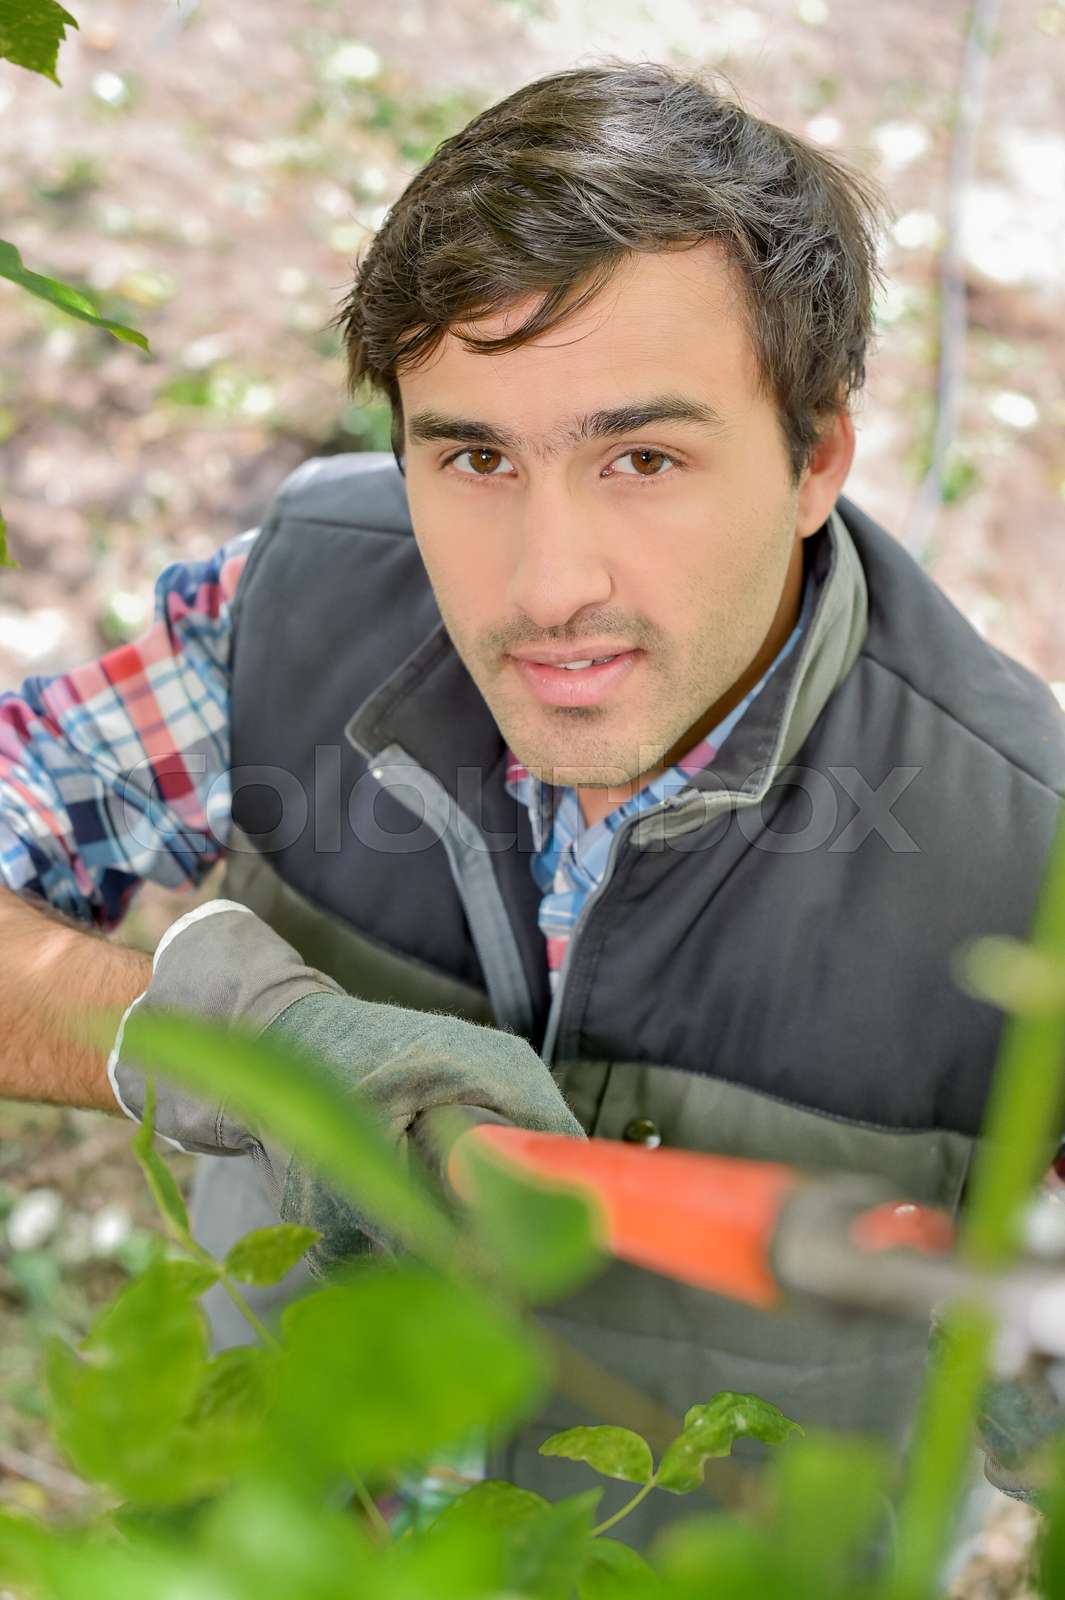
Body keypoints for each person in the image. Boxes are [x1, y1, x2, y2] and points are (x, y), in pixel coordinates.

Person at [1, 62, 1063, 1543]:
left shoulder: (1033, 868)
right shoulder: (291, 613)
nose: (548, 584)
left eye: (641, 457)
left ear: (815, 451)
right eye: (475, 456)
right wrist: (239, 1039)